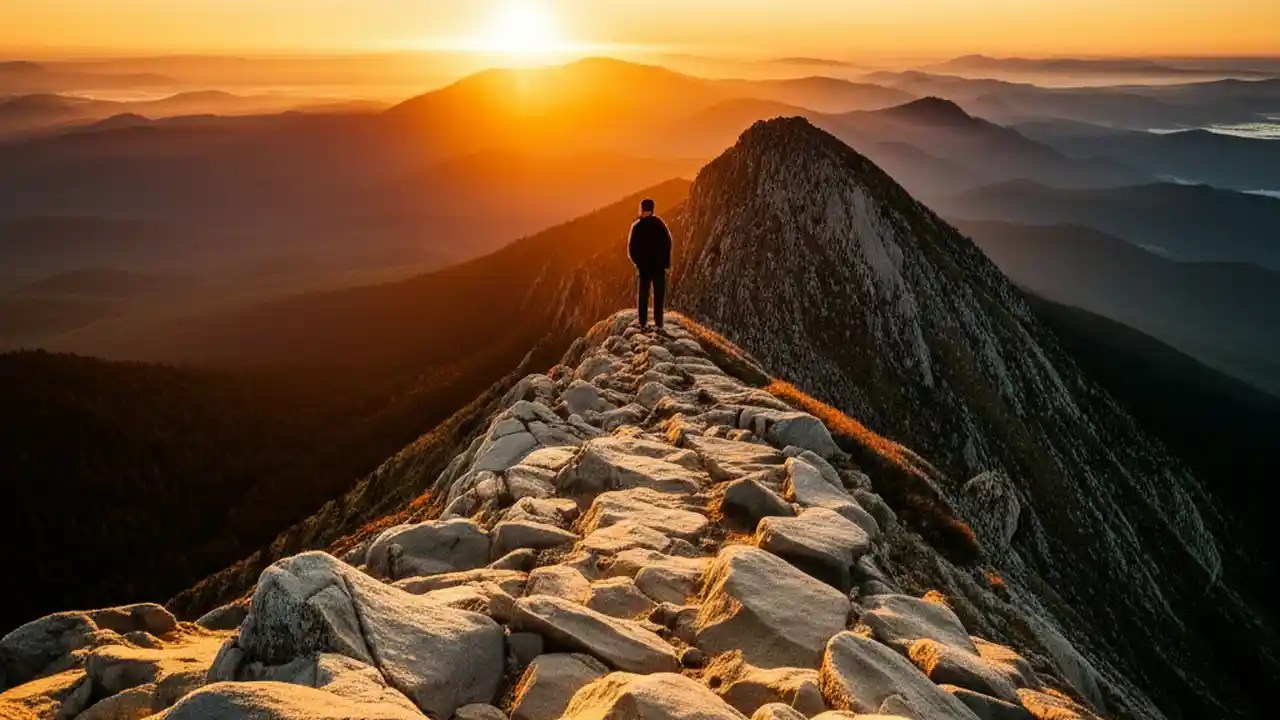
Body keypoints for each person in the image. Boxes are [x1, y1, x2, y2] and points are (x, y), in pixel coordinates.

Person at [627, 197, 672, 331]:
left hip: (644, 268)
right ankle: (659, 324)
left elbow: (631, 248)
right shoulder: (659, 224)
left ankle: (642, 323)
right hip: (658, 266)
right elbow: (668, 243)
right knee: (658, 295)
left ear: (642, 209)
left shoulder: (637, 226)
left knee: (643, 295)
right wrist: (665, 262)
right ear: (652, 210)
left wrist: (638, 263)